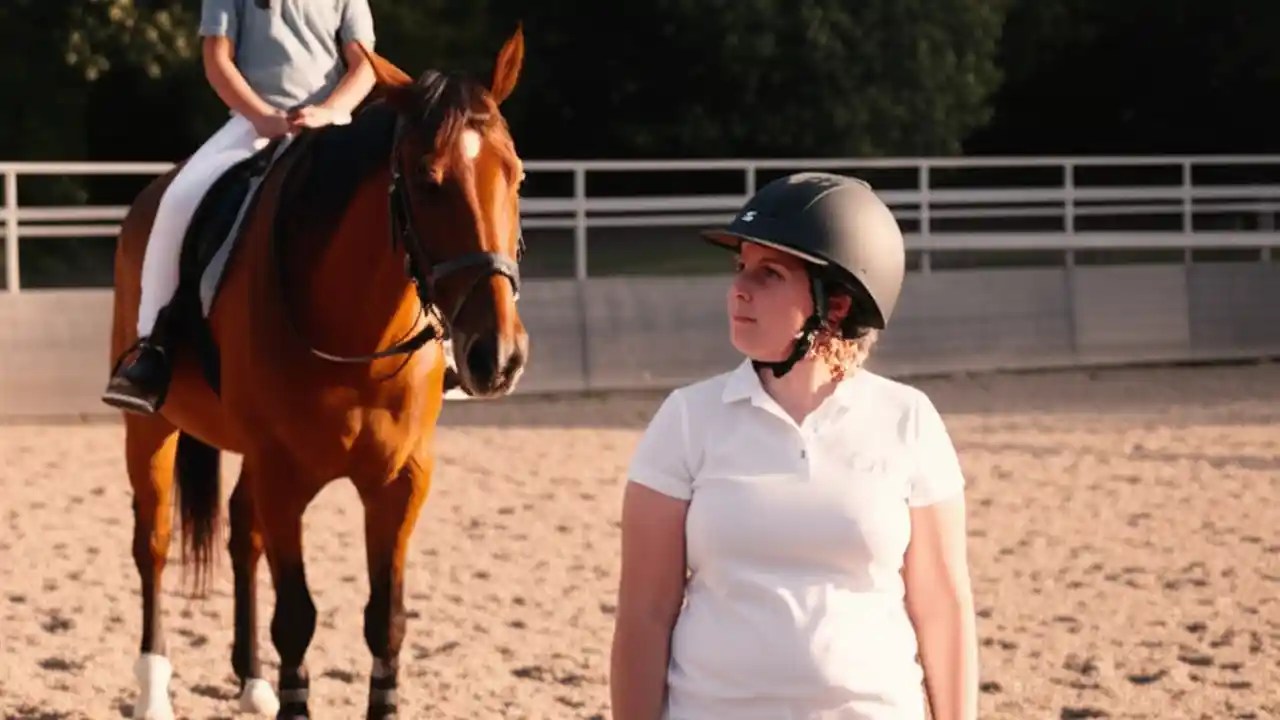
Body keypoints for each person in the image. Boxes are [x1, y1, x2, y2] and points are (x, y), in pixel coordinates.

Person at [610, 172, 979, 720]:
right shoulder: (687, 419)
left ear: (836, 304)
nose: (739, 288)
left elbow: (943, 608)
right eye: (741, 268)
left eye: (770, 274)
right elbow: (645, 612)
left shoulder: (909, 420)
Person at [102, 0, 378, 414]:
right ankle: (152, 348)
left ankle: (439, 342)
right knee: (177, 200)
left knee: (400, 194)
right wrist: (262, 115)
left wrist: (332, 111)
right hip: (254, 123)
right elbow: (217, 59)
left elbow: (365, 64)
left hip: (328, 122)